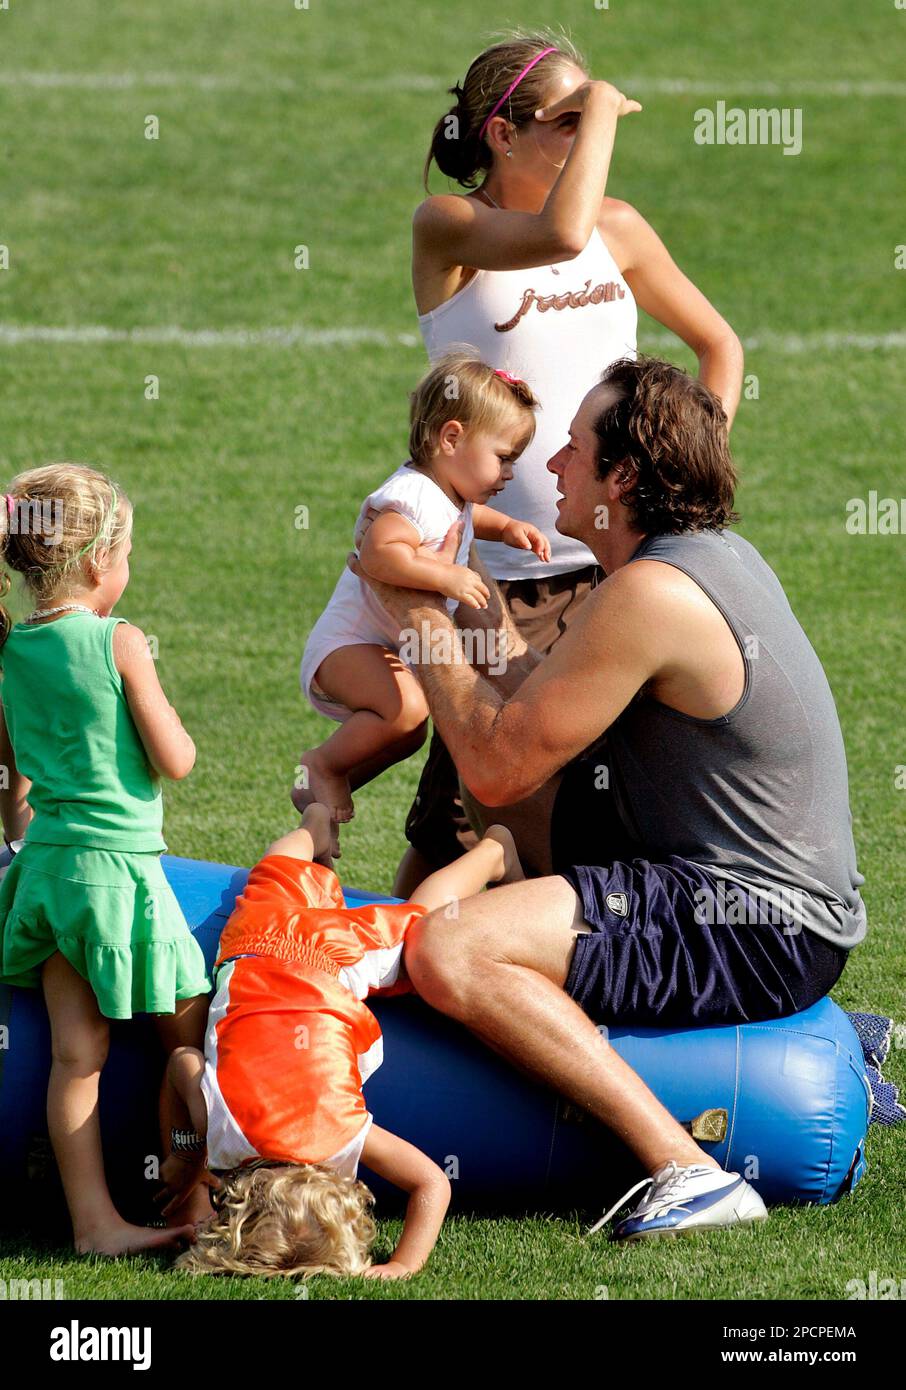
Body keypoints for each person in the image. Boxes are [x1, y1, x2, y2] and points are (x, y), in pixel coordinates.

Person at [347, 355, 866, 1237]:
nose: (551, 464)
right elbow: (535, 704)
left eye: (574, 449)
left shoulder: (651, 594)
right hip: (748, 893)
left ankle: (687, 1172)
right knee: (508, 818)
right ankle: (856, 1039)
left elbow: (497, 765)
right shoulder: (690, 562)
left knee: (453, 949)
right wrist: (468, 611)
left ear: (622, 478)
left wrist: (418, 623)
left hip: (757, 923)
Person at [399, 28, 744, 894]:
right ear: (501, 135)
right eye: (566, 120)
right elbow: (560, 232)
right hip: (499, 582)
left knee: (581, 809)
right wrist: (605, 108)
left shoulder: (618, 231)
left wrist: (687, 482)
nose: (586, 136)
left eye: (588, 121)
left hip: (622, 571)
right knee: (497, 821)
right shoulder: (451, 229)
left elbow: (718, 346)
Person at [163, 803, 524, 1279]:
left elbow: (432, 1183)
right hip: (256, 947)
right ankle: (313, 826)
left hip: (331, 963)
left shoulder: (340, 1137)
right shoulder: (222, 1127)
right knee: (276, 868)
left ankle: (495, 850)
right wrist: (186, 1149)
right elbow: (181, 1060)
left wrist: (404, 1264)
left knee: (425, 924)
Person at [0, 464, 211, 1255]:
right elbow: (177, 758)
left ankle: (93, 1224)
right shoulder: (119, 641)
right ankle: (201, 1194)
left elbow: (15, 770)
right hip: (123, 880)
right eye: (126, 554)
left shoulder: (12, 648)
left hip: (49, 878)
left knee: (76, 1056)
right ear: (97, 562)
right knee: (191, 1041)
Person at [294, 350, 549, 856]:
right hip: (348, 645)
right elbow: (377, 552)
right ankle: (323, 765)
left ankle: (325, 782)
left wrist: (510, 529)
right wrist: (446, 576)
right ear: (451, 438)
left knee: (410, 730)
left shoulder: (447, 496)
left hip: (374, 645)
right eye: (504, 457)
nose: (510, 474)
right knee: (408, 709)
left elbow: (469, 520)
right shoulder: (411, 494)